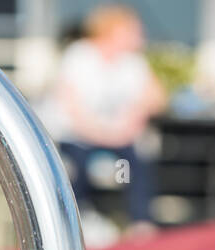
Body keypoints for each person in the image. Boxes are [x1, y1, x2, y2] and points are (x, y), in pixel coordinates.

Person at [42, 5, 165, 233]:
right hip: (77, 136)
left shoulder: (133, 63)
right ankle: (73, 224)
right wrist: (105, 134)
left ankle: (140, 224)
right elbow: (72, 109)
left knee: (136, 163)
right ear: (114, 31)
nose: (141, 37)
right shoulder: (79, 56)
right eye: (134, 31)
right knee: (76, 166)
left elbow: (156, 99)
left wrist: (132, 120)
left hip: (117, 138)